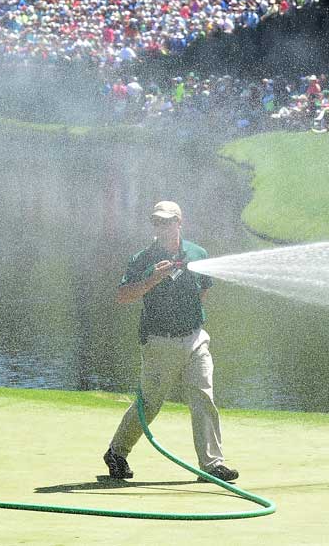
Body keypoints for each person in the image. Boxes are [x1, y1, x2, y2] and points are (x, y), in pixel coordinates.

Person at [104, 201, 239, 483]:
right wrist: (152, 280)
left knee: (203, 396)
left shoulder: (198, 254)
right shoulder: (142, 259)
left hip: (194, 339)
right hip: (157, 342)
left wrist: (187, 323)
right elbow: (122, 296)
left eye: (167, 222)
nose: (161, 227)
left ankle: (212, 464)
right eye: (157, 222)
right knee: (151, 403)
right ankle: (117, 452)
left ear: (179, 222)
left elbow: (203, 292)